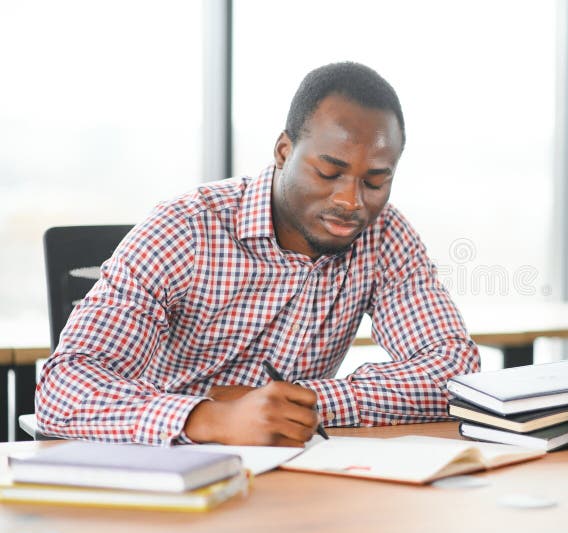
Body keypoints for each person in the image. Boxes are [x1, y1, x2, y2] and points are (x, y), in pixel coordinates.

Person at [35, 62, 481, 447]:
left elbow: (453, 369)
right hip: (166, 468)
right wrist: (211, 418)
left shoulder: (383, 235)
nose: (350, 200)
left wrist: (304, 402)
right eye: (329, 172)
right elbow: (63, 388)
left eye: (375, 181)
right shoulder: (186, 228)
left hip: (297, 470)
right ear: (284, 152)